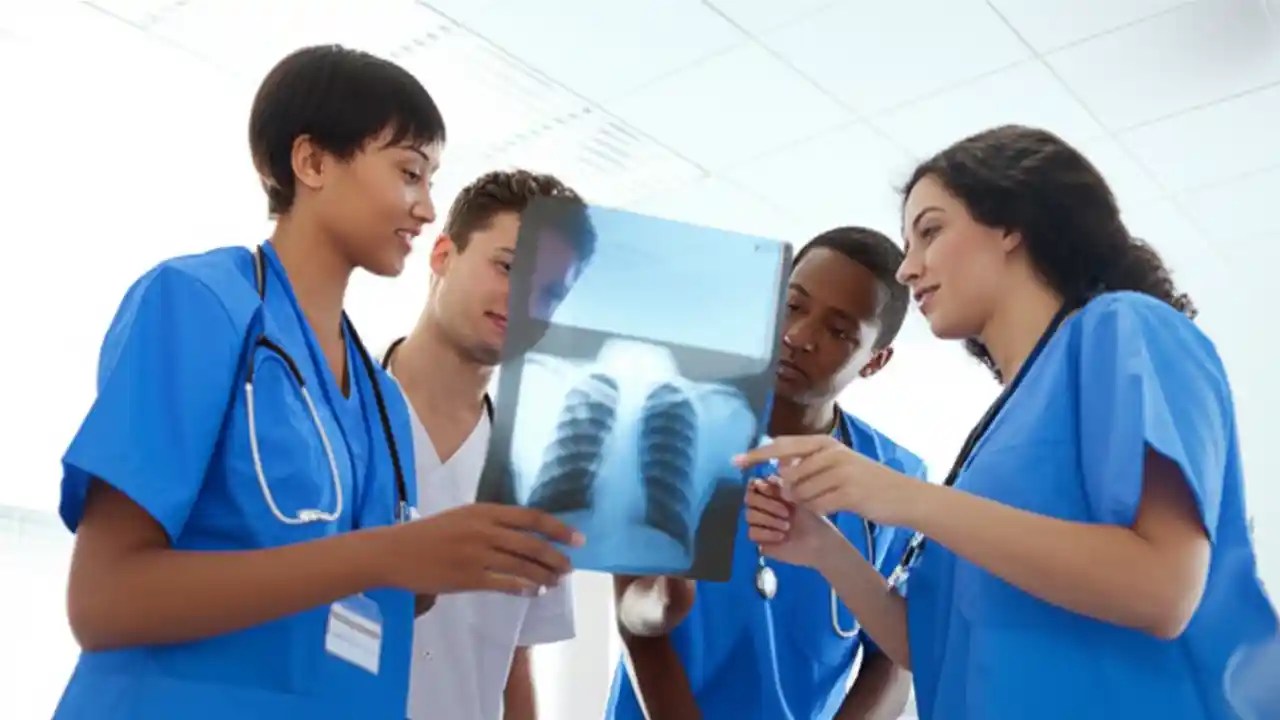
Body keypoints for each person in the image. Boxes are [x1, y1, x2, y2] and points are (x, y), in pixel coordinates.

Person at [53, 45, 580, 720]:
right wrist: (390, 556)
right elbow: (104, 602)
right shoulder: (199, 304)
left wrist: (438, 569)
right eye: (410, 173)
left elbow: (367, 594)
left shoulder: (380, 405)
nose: (425, 209)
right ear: (312, 162)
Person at [741, 124, 1280, 720]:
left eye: (931, 231)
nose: (907, 270)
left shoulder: (1125, 329)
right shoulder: (995, 444)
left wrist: (902, 497)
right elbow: (933, 646)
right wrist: (821, 546)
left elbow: (1164, 589)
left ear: (1011, 225)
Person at [605, 227, 929, 720]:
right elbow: (635, 618)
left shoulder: (894, 478)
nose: (798, 337)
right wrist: (664, 600)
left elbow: (893, 661)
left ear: (875, 361)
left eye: (839, 331)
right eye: (793, 306)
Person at [380, 169, 596, 720]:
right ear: (443, 255)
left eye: (550, 291)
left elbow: (513, 666)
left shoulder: (539, 481)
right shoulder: (334, 412)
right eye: (507, 266)